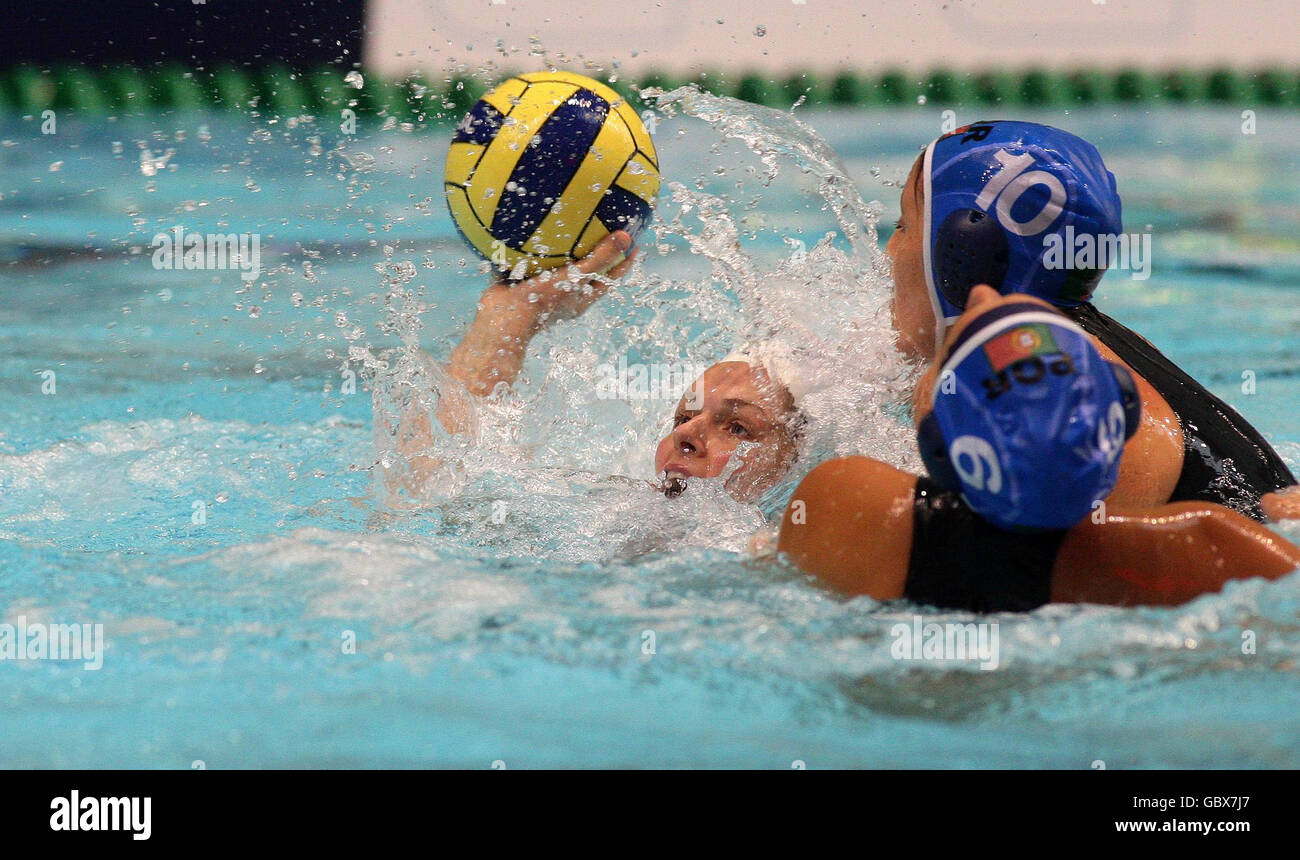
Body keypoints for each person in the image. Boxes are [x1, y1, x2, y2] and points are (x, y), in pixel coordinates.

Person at [779, 285, 1300, 611]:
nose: (981, 291)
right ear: (1122, 416)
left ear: (940, 446)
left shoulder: (851, 505)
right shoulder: (1209, 546)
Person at [885, 120, 1298, 521]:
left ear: (963, 252)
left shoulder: (1046, 394)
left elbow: (1050, 575)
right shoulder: (1075, 348)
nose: (888, 249)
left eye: (904, 226)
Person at [379, 230, 805, 506]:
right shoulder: (611, 511)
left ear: (798, 463)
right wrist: (513, 313)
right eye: (683, 416)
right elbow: (431, 489)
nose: (685, 435)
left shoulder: (794, 544)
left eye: (737, 428)